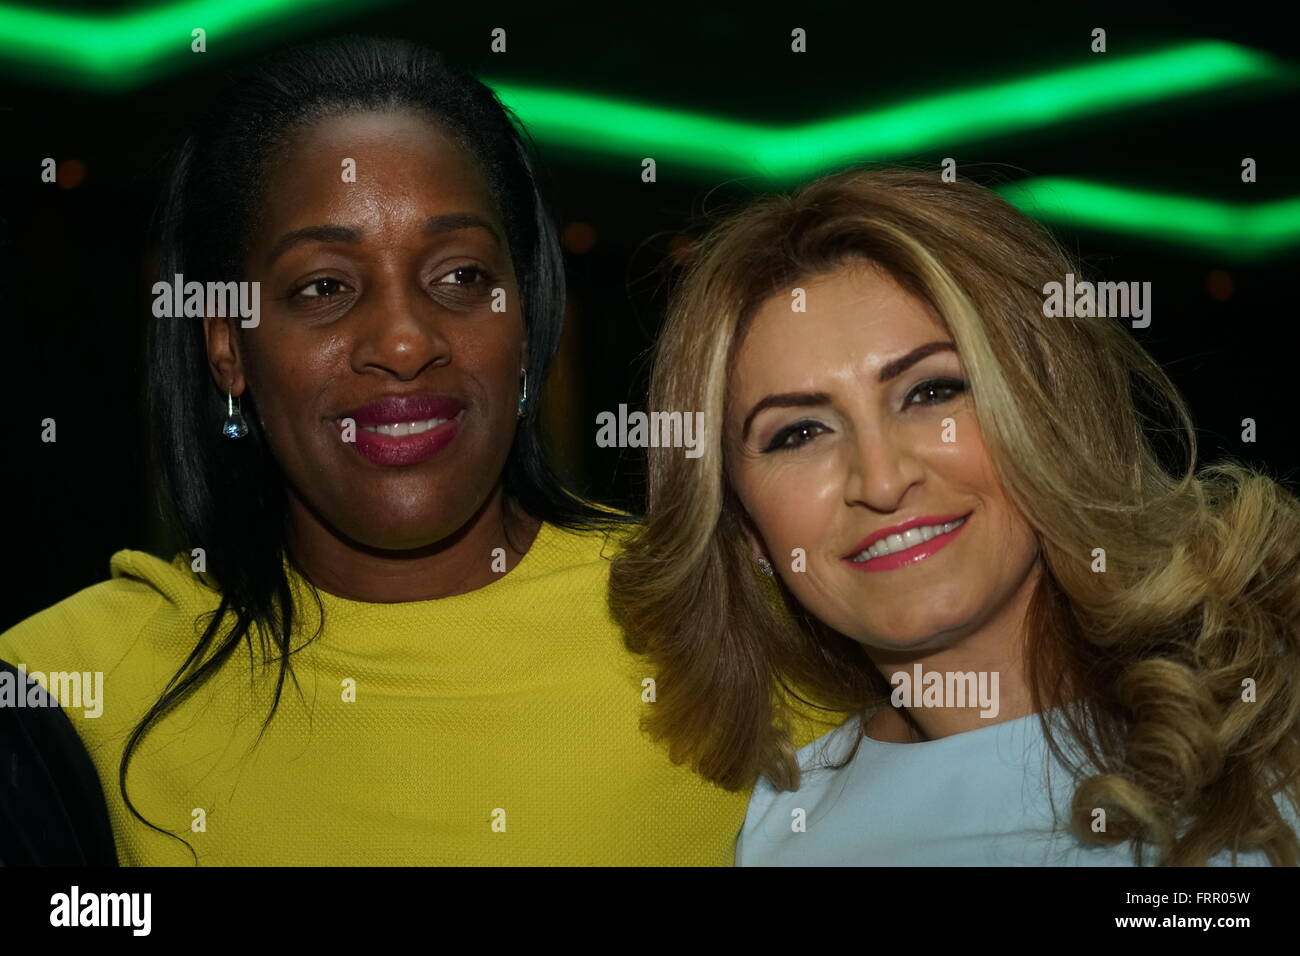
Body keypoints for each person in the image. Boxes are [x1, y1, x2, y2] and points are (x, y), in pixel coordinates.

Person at [0, 35, 803, 866]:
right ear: (229, 350)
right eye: (323, 287)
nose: (405, 340)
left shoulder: (734, 618)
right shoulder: (68, 687)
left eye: (460, 276)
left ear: (526, 326)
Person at [608, 166, 1300, 866]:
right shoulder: (784, 822)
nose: (881, 480)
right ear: (748, 530)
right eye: (800, 433)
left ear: (1047, 415)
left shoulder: (1269, 721)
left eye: (932, 391)